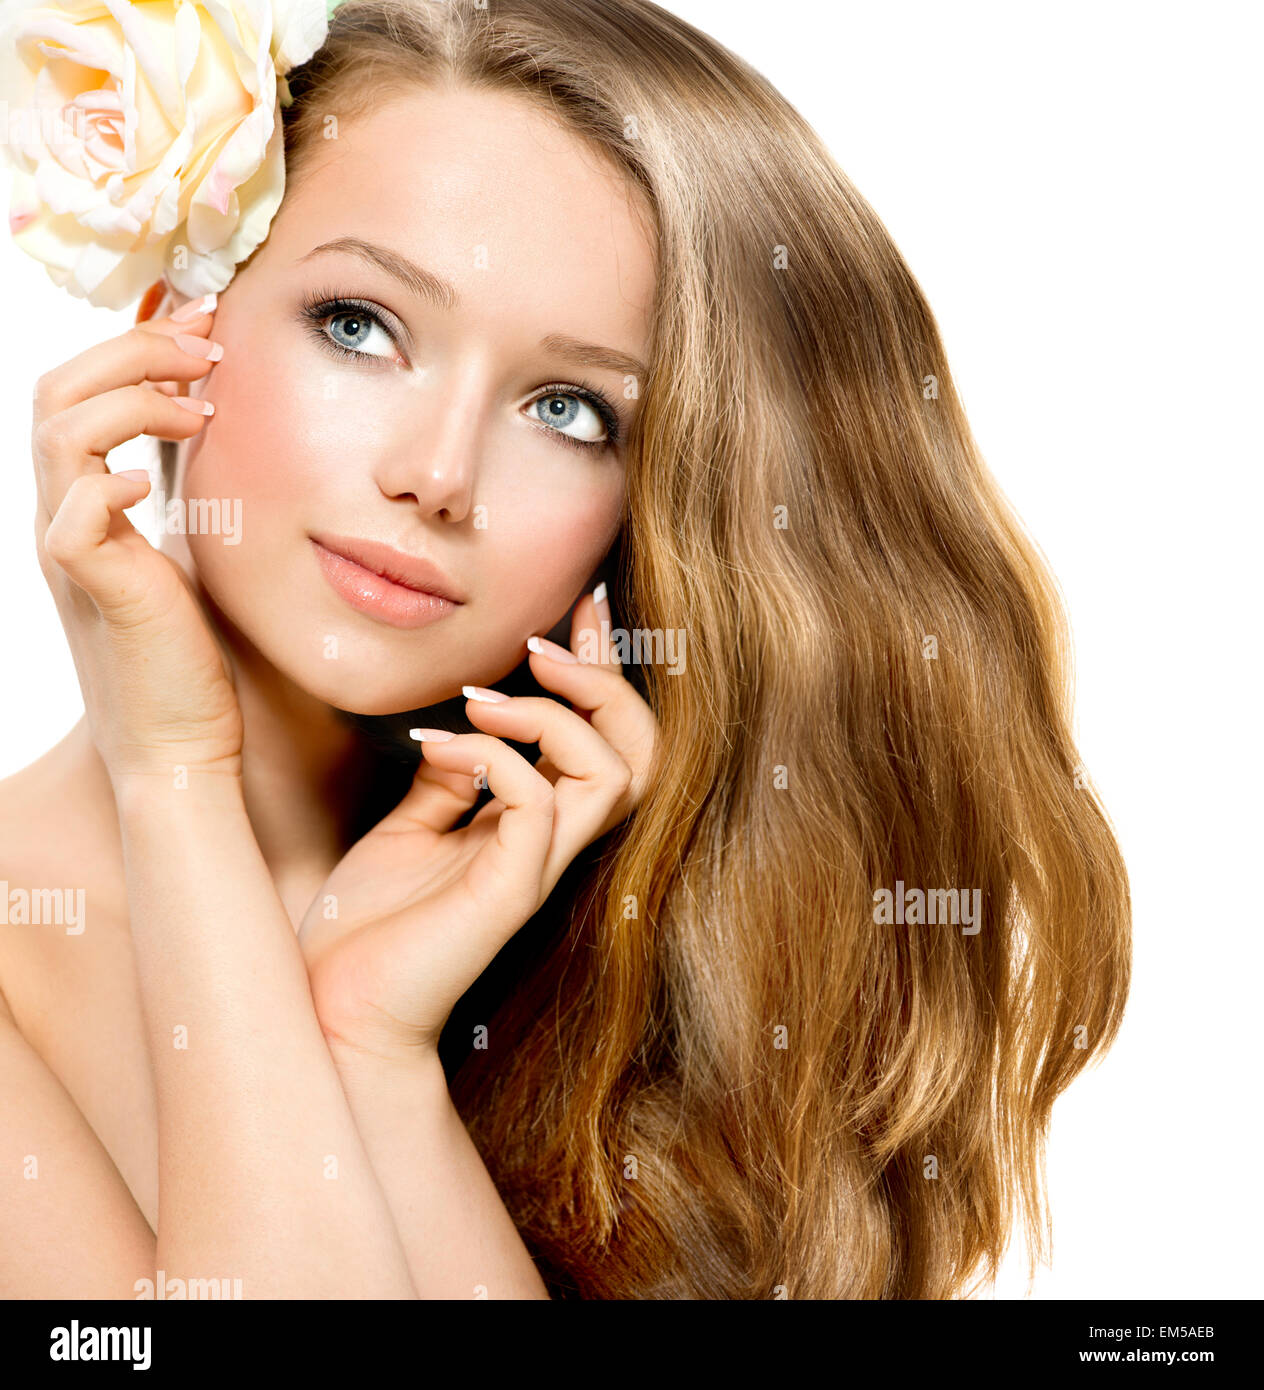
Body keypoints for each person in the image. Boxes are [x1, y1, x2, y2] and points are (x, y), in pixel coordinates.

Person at [0, 0, 1131, 1299]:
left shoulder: (612, 947)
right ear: (172, 319)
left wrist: (371, 1050)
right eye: (361, 325)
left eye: (570, 408)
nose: (436, 475)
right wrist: (176, 778)